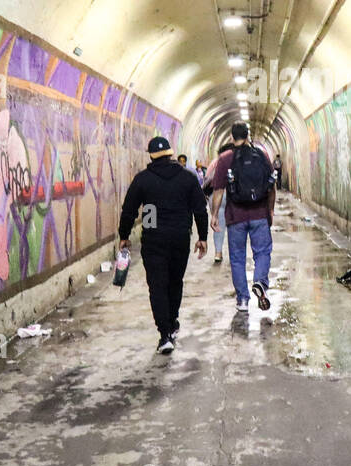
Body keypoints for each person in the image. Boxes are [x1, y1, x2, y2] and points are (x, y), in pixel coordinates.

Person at [118, 136, 208, 354]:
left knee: (157, 286)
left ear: (150, 155)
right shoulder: (187, 178)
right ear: (170, 153)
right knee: (175, 281)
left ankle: (164, 333)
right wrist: (202, 237)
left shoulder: (143, 180)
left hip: (154, 238)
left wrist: (124, 234)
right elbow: (199, 208)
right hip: (180, 237)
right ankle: (173, 321)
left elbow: (129, 209)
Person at [209, 123, 276, 312]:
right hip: (259, 214)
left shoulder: (225, 159)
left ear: (231, 137)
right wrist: (270, 210)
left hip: (235, 216)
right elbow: (271, 186)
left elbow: (219, 190)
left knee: (237, 258)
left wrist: (214, 215)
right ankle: (260, 282)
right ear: (248, 136)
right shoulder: (261, 155)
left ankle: (243, 300)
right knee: (262, 252)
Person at [203, 142, 233, 265]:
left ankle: (218, 253)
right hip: (232, 196)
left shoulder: (215, 162)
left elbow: (207, 179)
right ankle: (234, 254)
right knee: (234, 227)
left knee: (218, 225)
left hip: (215, 196)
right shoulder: (236, 161)